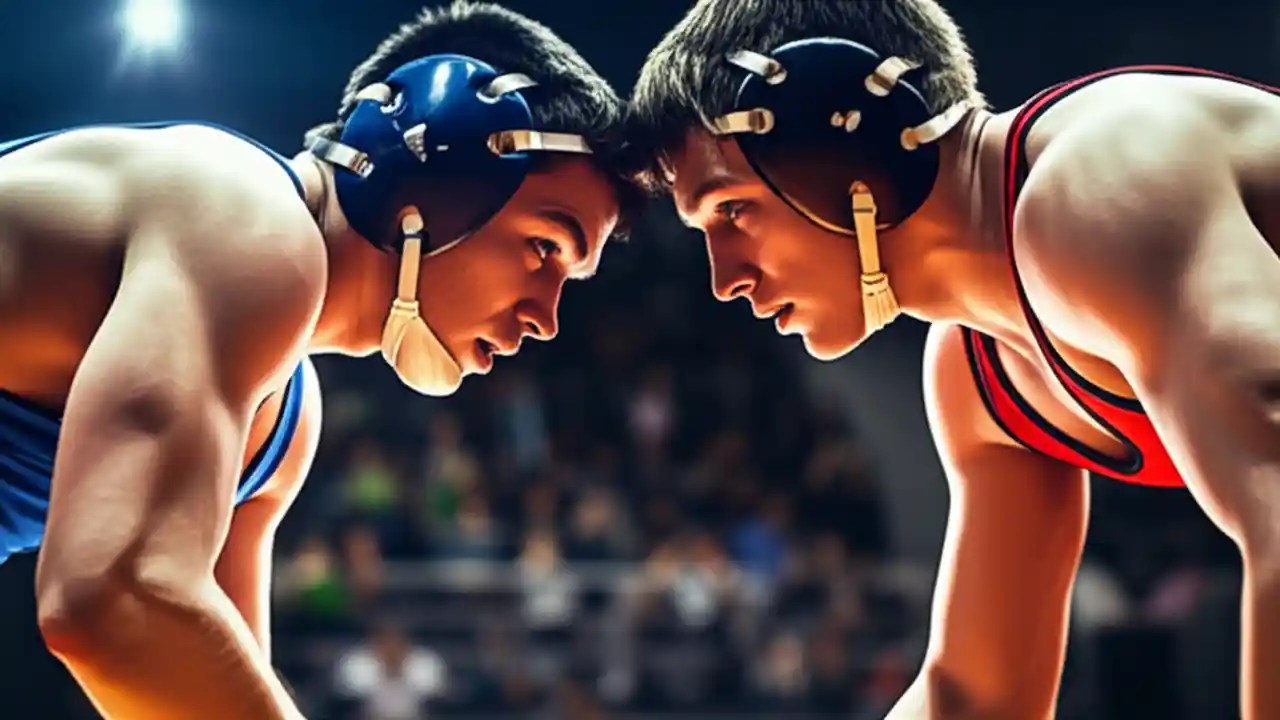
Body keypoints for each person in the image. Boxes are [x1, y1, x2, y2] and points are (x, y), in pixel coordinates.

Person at [628, 1, 1280, 717]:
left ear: (841, 131)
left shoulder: (1099, 190)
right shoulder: (979, 373)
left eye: (731, 211)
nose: (726, 280)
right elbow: (974, 698)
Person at [0, 1, 637, 717]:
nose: (547, 318)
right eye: (545, 247)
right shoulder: (245, 219)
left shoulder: (285, 422)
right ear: (437, 172)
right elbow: (111, 602)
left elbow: (175, 683)